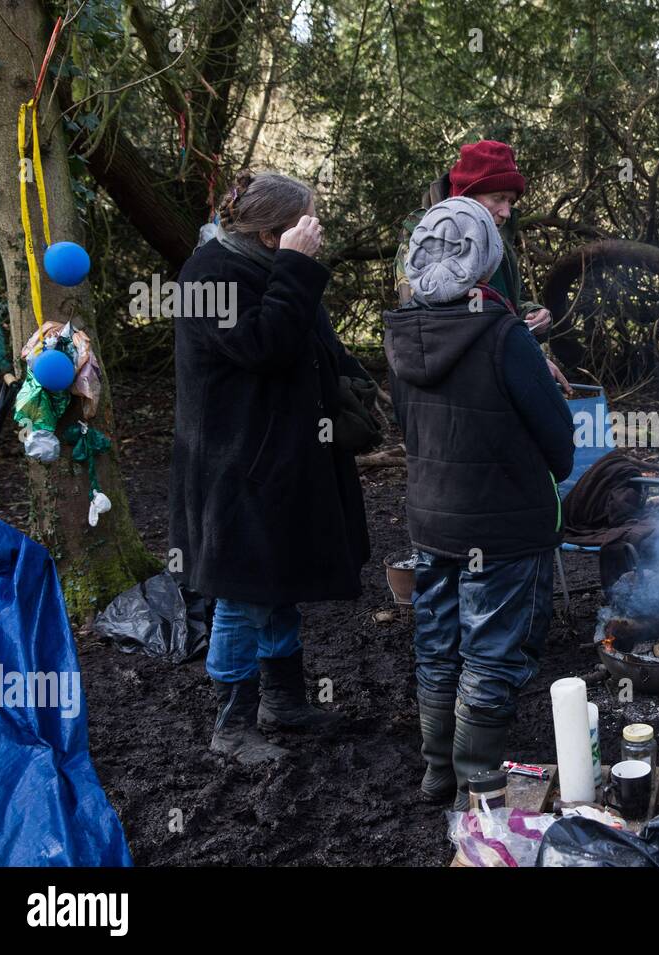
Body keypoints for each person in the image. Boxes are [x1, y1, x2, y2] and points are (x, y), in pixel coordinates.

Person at [172, 170, 373, 766]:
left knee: (277, 583)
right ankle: (231, 726)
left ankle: (281, 702)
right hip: (235, 466)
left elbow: (311, 345)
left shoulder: (264, 265)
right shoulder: (208, 275)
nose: (316, 232)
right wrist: (296, 268)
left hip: (281, 459)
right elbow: (265, 345)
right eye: (305, 222)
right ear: (270, 235)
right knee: (242, 592)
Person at [384, 196, 574, 809]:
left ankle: (437, 773)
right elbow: (554, 433)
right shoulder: (503, 334)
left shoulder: (403, 330)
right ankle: (476, 782)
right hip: (501, 525)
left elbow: (407, 424)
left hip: (432, 517)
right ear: (485, 261)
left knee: (437, 643)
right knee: (491, 652)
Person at [393, 139, 572, 396]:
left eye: (510, 201)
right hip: (449, 393)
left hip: (497, 382)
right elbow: (426, 325)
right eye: (498, 198)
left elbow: (497, 303)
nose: (507, 212)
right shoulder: (426, 240)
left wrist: (531, 315)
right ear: (465, 197)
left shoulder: (497, 241)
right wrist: (523, 358)